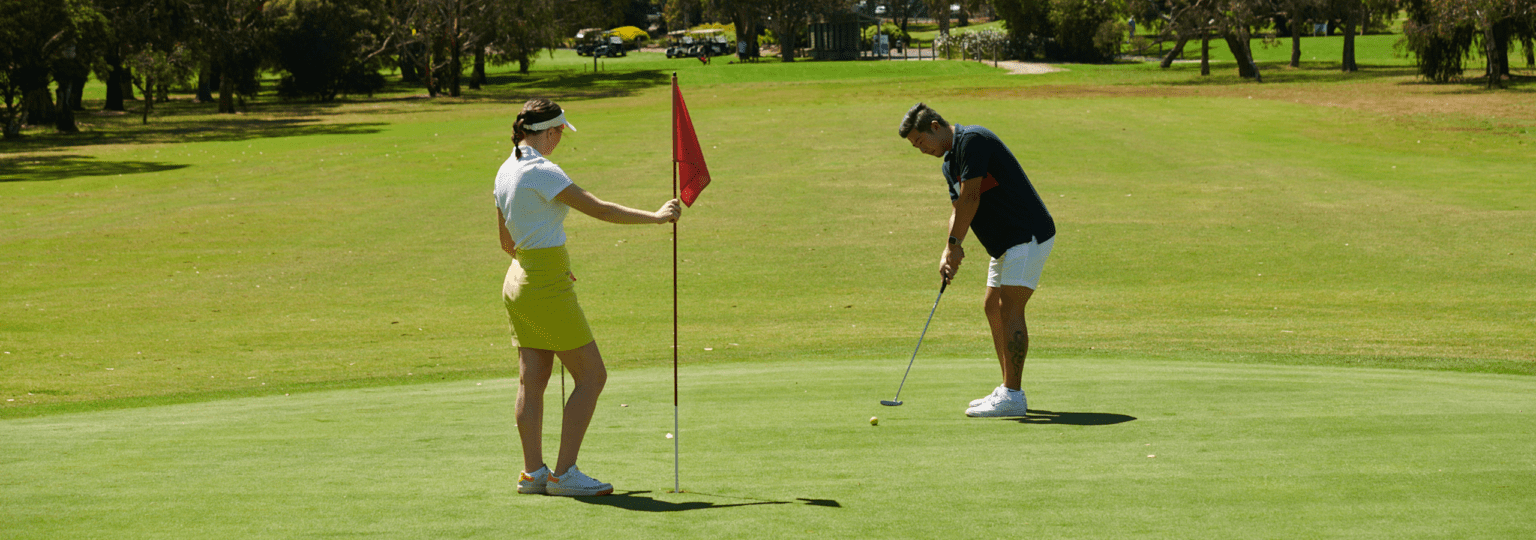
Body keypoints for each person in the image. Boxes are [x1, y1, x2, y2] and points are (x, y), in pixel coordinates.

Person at [497, 98, 682, 496]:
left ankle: (533, 474)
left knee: (533, 379)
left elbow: (506, 242)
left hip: (518, 280)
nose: (560, 140)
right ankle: (564, 476)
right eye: (560, 133)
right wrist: (656, 217)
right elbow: (601, 210)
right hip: (543, 284)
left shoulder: (506, 168)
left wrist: (544, 263)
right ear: (550, 132)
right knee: (592, 375)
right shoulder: (542, 170)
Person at [898, 103, 1056, 418]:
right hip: (1005, 243)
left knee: (1009, 307)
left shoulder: (973, 141)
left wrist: (956, 245)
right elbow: (958, 208)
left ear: (934, 126)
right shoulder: (949, 164)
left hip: (1026, 234)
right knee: (992, 306)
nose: (922, 150)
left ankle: (1013, 396)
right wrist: (949, 249)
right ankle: (1008, 387)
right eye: (916, 147)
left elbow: (972, 196)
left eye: (921, 142)